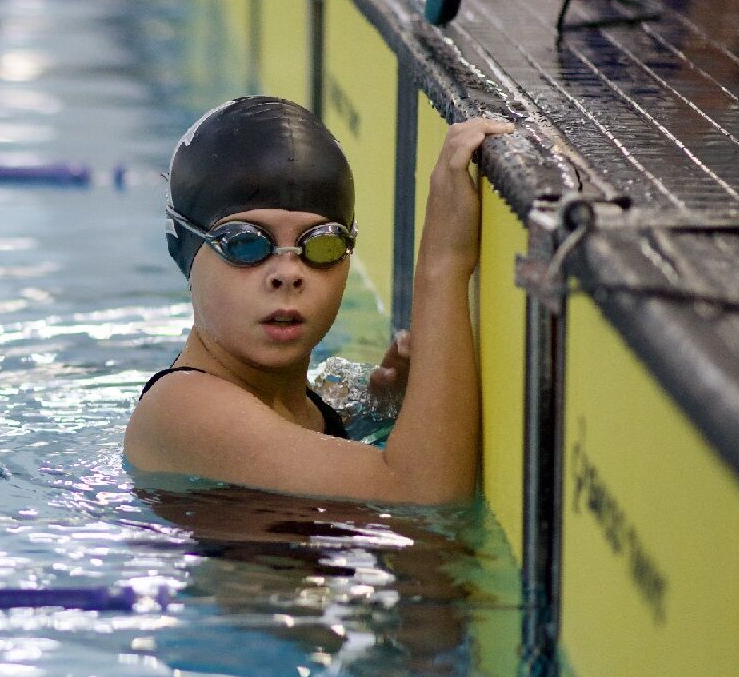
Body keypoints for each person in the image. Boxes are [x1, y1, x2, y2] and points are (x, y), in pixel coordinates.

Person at [123, 95, 513, 504]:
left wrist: (388, 411)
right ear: (182, 249)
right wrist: (444, 263)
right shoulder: (183, 411)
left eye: (321, 245)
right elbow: (425, 494)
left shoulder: (305, 405)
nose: (288, 273)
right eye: (243, 244)